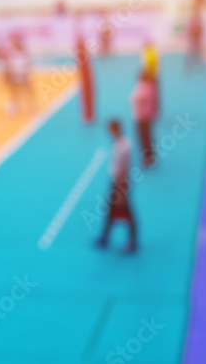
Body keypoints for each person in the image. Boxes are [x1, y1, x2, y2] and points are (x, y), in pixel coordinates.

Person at [96, 119, 137, 253]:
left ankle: (132, 240)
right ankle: (105, 237)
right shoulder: (122, 143)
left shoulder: (123, 147)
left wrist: (121, 189)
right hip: (118, 181)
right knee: (111, 211)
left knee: (126, 211)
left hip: (120, 183)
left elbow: (123, 168)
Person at [130, 72, 158, 168]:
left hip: (141, 117)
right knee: (147, 137)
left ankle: (148, 157)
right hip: (147, 116)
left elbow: (137, 100)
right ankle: (150, 156)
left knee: (144, 138)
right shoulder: (151, 87)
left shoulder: (143, 88)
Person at [3, 34, 33, 116]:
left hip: (23, 74)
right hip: (15, 74)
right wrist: (8, 75)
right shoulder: (11, 51)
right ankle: (15, 106)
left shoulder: (23, 51)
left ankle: (31, 105)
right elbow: (8, 64)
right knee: (14, 91)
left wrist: (26, 73)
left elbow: (28, 63)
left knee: (28, 90)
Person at [76, 31, 95, 124]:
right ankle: (89, 115)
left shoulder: (81, 55)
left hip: (85, 80)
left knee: (86, 97)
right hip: (87, 79)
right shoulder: (85, 55)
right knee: (88, 97)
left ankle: (88, 115)